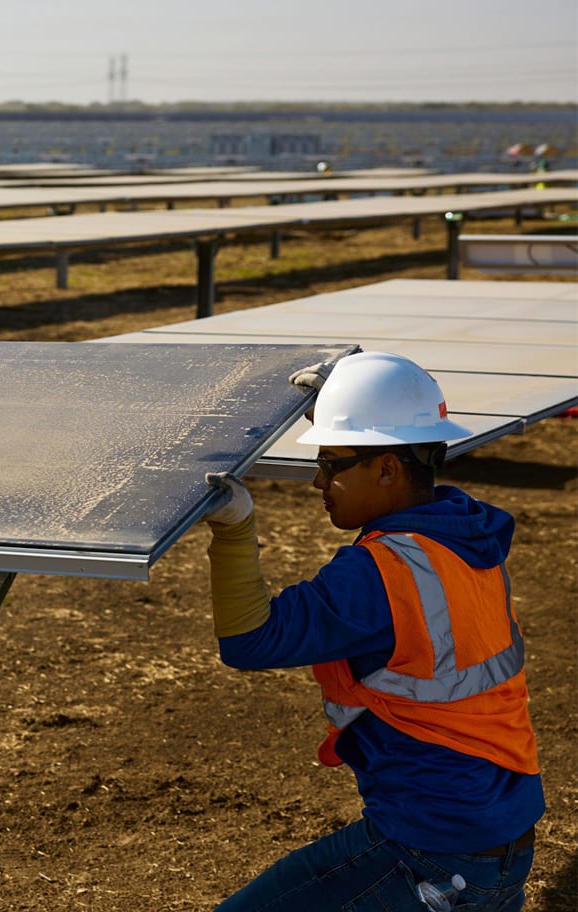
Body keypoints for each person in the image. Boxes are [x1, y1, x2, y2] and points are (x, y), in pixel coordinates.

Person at [200, 351, 541, 911]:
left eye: (332, 463)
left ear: (387, 468)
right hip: (501, 842)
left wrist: (236, 530)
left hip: (431, 855)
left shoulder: (378, 574)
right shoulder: (466, 534)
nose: (317, 481)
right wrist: (341, 413)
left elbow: (249, 640)